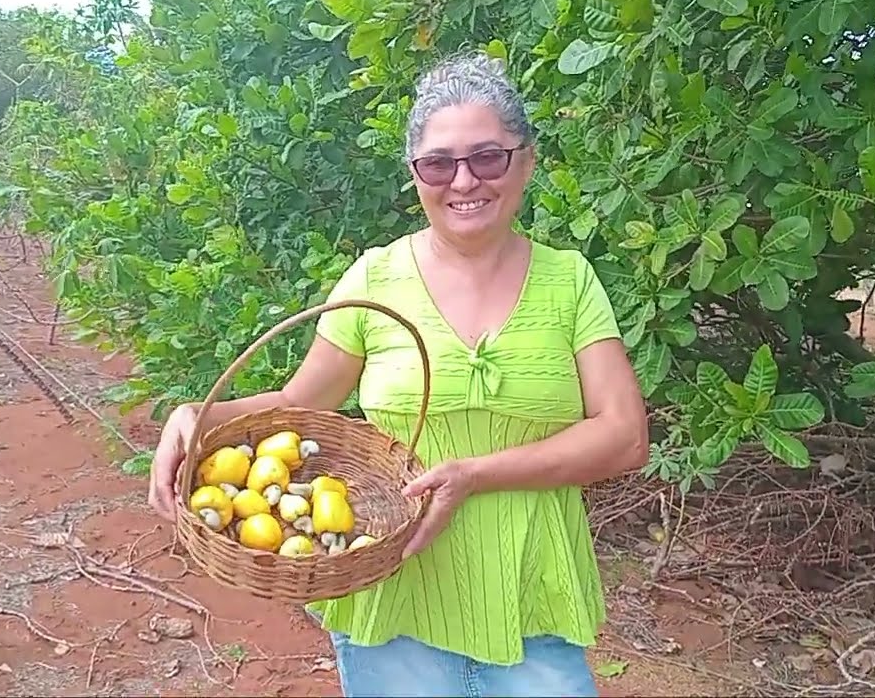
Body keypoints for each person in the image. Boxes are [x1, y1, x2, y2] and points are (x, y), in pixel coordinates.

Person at [147, 50, 649, 698]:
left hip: (531, 592)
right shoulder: (375, 278)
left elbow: (624, 435)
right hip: (394, 601)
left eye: (487, 157)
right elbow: (302, 403)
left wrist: (475, 475)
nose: (463, 181)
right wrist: (196, 416)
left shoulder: (569, 281)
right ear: (415, 175)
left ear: (525, 161)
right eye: (439, 163)